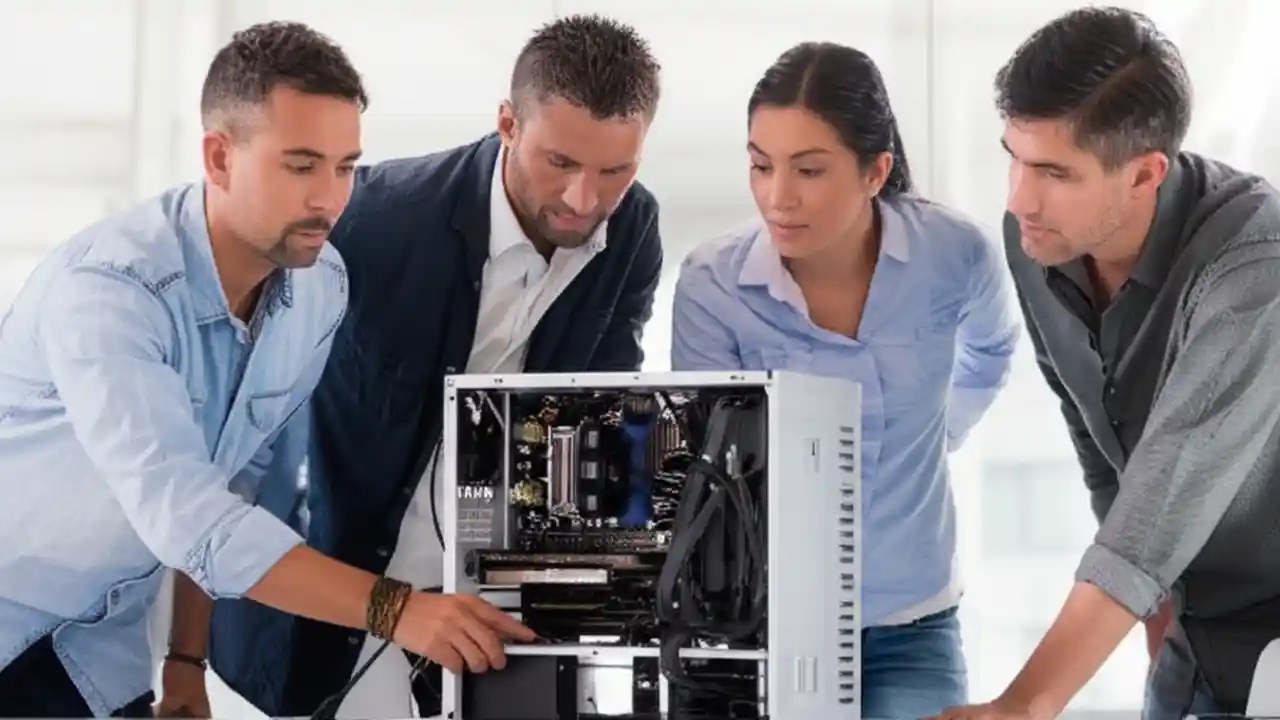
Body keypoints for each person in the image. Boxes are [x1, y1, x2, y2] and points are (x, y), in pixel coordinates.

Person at [0, 21, 532, 719]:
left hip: (98, 652)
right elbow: (192, 519)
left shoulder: (318, 287)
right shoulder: (113, 292)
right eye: (301, 166)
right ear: (219, 157)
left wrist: (185, 660)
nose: (330, 199)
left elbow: (232, 486)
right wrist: (398, 611)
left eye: (345, 167)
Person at [206, 13, 664, 718]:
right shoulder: (373, 219)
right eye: (560, 163)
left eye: (615, 171)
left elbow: (601, 407)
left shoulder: (630, 228)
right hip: (339, 588)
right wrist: (184, 654)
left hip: (497, 599)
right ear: (507, 124)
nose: (584, 200)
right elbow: (240, 425)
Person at [930, 7, 1280, 720]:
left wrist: (1022, 705)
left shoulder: (1254, 267)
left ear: (1144, 174)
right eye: (1014, 157)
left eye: (1054, 172)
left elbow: (1167, 486)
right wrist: (1148, 608)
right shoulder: (1038, 238)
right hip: (1189, 643)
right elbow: (1096, 435)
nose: (1019, 198)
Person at [670, 41, 1020, 719]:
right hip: (766, 623)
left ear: (875, 170)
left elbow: (993, 350)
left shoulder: (955, 254)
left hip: (912, 621)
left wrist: (939, 432)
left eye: (809, 170)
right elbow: (704, 465)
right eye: (761, 166)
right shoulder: (714, 285)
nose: (779, 197)